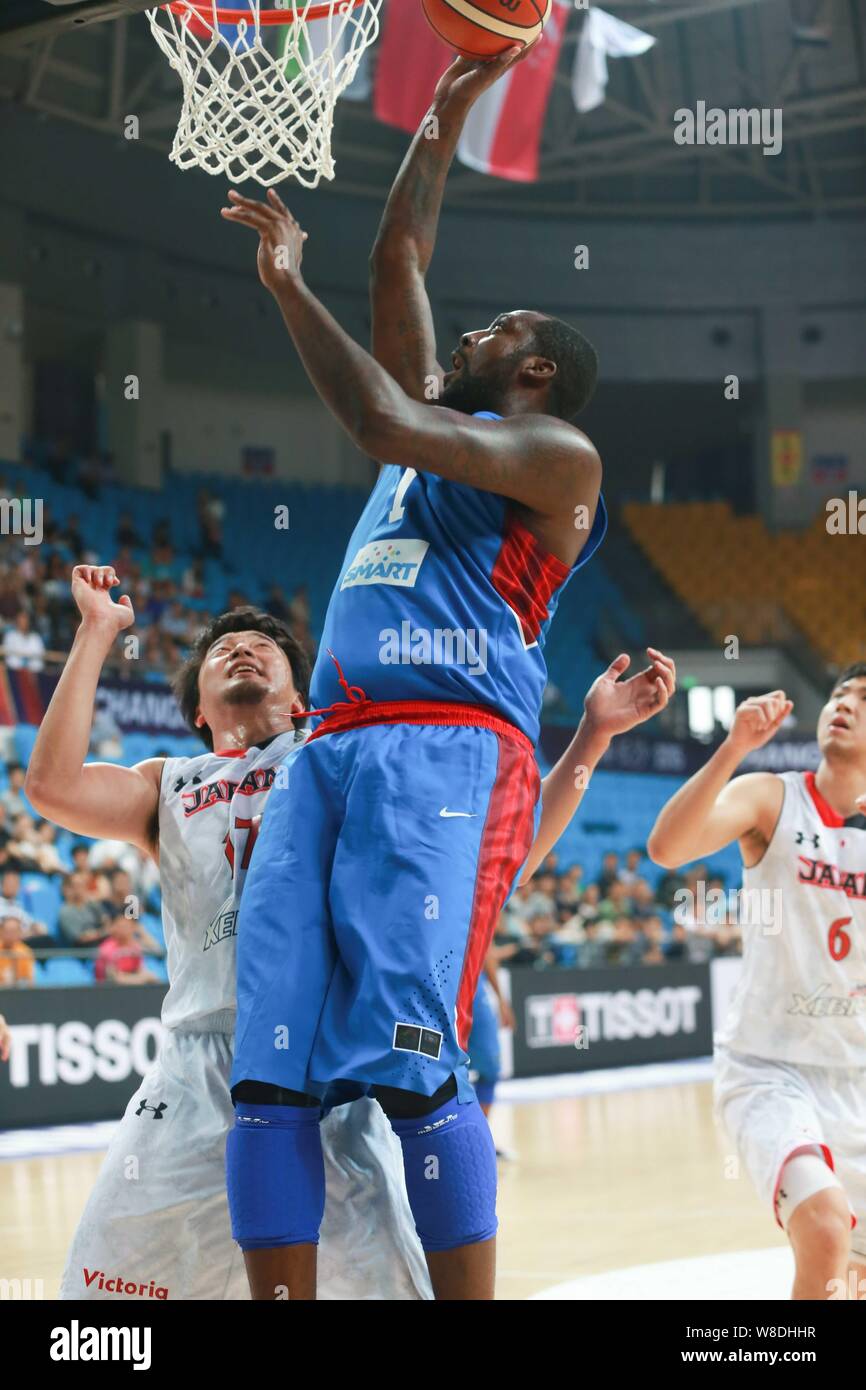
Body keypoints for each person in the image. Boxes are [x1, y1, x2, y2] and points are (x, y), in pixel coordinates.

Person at [25, 564, 431, 1302]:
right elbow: (51, 787)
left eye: (264, 647)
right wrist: (95, 633)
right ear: (198, 713)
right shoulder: (168, 781)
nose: (243, 650)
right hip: (194, 1072)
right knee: (96, 1312)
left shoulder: (333, 760)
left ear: (303, 699)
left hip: (320, 1077)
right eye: (222, 650)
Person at [648, 674, 866, 1301]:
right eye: (841, 695)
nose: (844, 707)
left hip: (853, 1072)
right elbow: (667, 847)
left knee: (845, 1281)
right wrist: (734, 747)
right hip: (771, 1069)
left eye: (864, 702)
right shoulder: (772, 798)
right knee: (825, 1227)